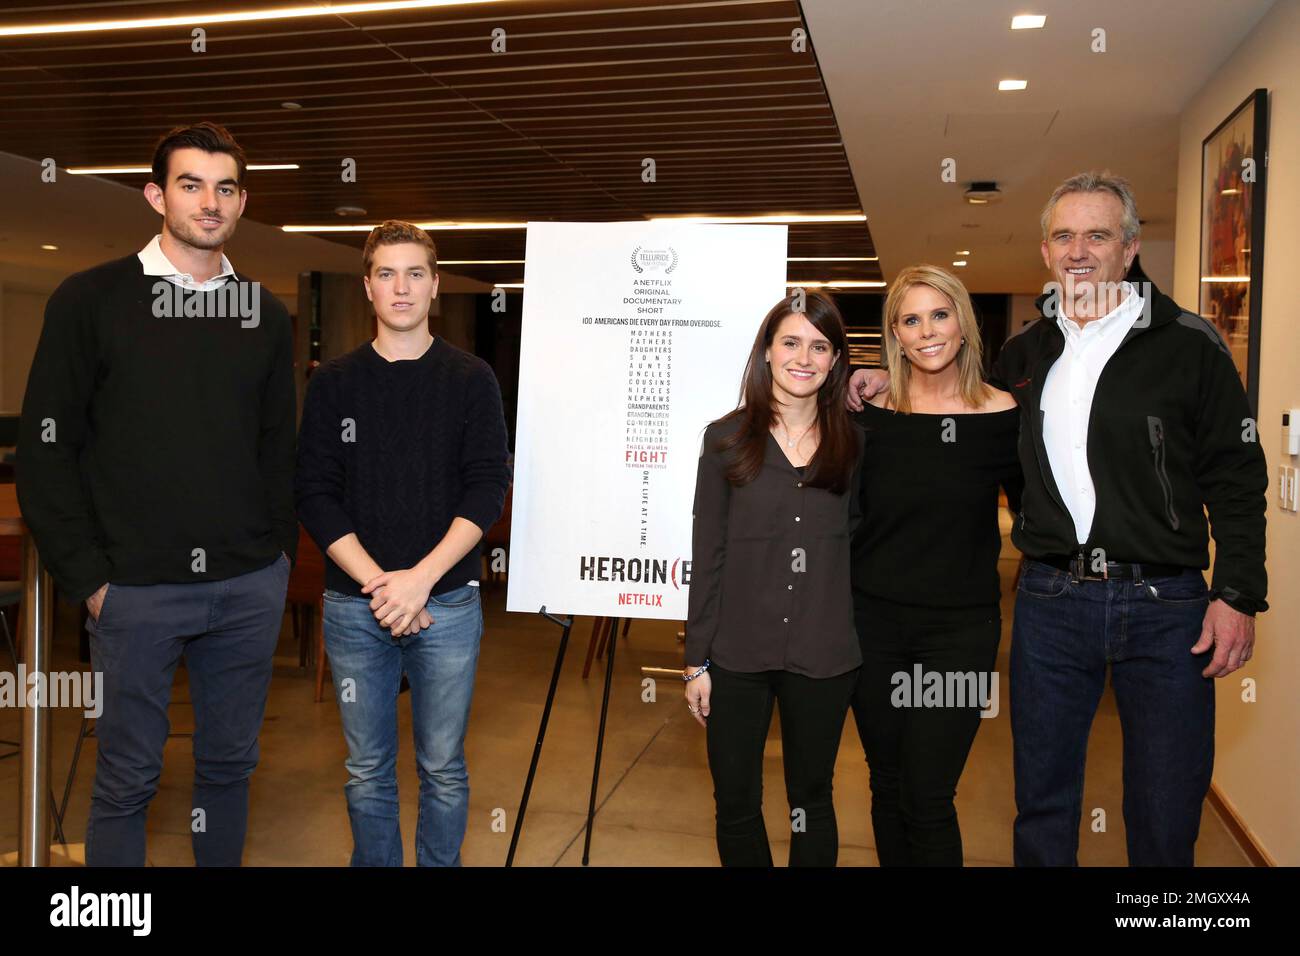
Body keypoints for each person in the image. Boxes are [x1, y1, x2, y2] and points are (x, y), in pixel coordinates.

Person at [849, 171, 1268, 866]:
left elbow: (1236, 473)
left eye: (1097, 234)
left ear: (1129, 248)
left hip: (1167, 606)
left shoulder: (1189, 344)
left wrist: (1238, 592)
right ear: (1045, 251)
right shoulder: (1025, 356)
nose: (1079, 250)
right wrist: (869, 378)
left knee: (1165, 806)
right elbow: (951, 406)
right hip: (1051, 600)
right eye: (1064, 236)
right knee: (1042, 804)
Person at [17, 122, 297, 866]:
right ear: (155, 194)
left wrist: (273, 562)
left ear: (242, 203)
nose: (210, 202)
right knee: (126, 778)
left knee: (230, 769)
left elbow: (278, 450)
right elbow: (48, 449)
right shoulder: (91, 300)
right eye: (190, 184)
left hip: (246, 587)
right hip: (134, 592)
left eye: (226, 188)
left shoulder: (264, 314)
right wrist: (91, 581)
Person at [295, 220, 510, 867]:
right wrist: (382, 584)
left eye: (415, 273)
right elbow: (315, 493)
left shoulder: (471, 379)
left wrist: (419, 580)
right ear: (367, 286)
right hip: (357, 610)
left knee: (442, 766)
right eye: (386, 273)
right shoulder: (335, 383)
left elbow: (486, 490)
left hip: (446, 605)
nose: (401, 287)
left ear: (435, 285)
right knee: (367, 771)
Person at [684, 291, 864, 867]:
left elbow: (861, 548)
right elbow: (706, 552)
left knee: (811, 799)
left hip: (824, 654)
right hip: (737, 655)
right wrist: (697, 660)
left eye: (819, 346)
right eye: (790, 342)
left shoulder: (857, 444)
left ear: (835, 360)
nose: (804, 357)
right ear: (767, 351)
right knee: (735, 800)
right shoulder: (725, 439)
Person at [850, 265, 1020, 866]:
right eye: (911, 319)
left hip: (959, 635)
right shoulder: (868, 416)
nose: (927, 331)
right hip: (872, 629)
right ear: (895, 334)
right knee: (886, 782)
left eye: (940, 314)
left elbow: (1038, 516)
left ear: (964, 323)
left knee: (929, 794)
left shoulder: (1005, 416)